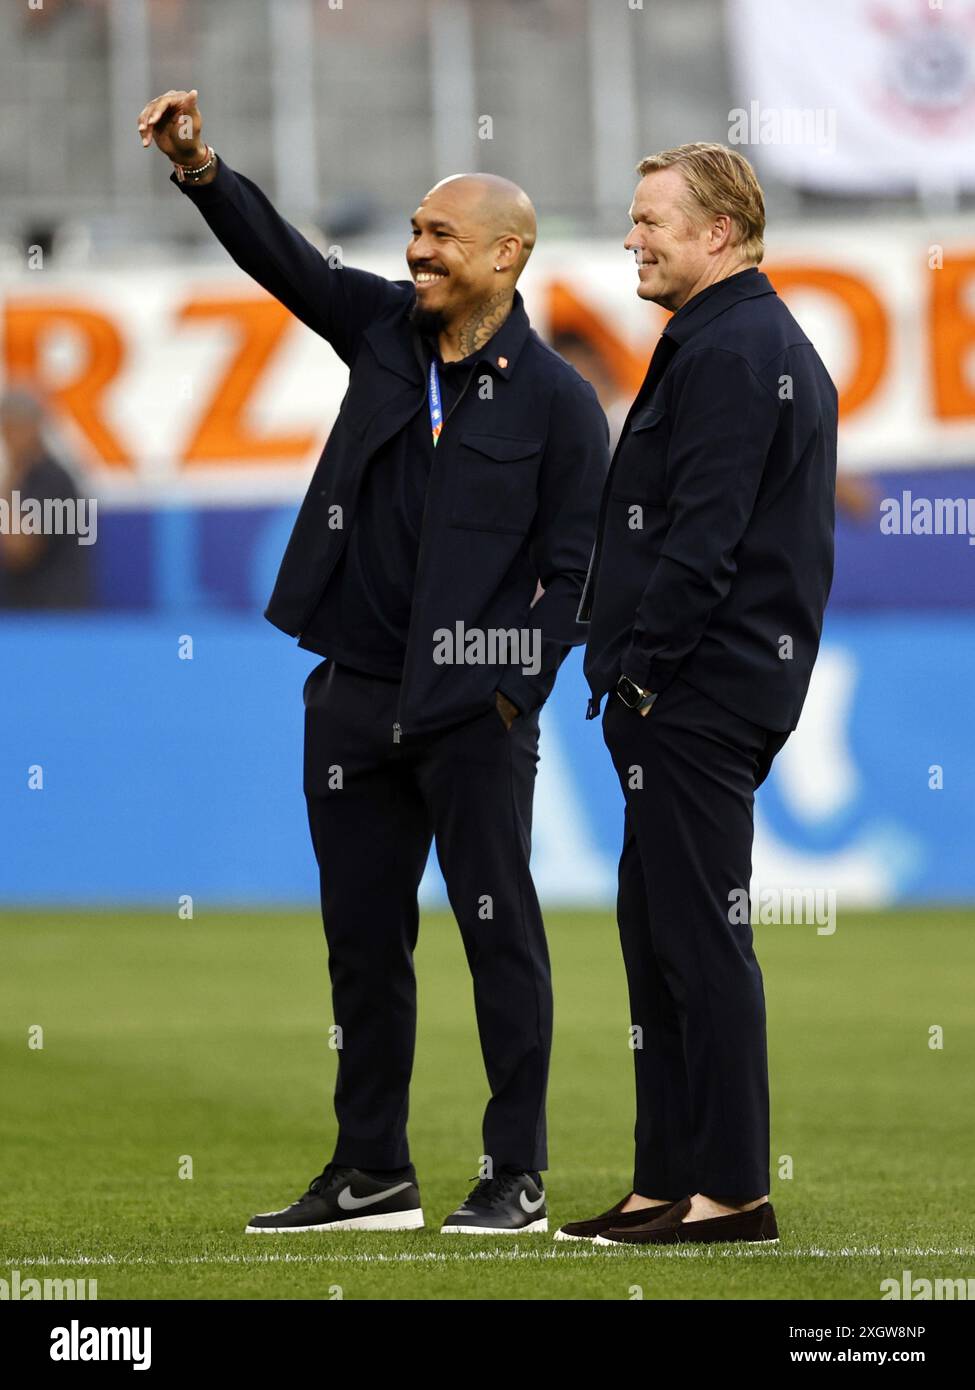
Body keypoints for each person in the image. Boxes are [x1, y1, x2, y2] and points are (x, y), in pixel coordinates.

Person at [138, 89, 608, 1235]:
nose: (416, 251)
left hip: (471, 716)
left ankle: (516, 1172)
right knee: (361, 948)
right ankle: (372, 1172)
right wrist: (203, 171)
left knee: (501, 934)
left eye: (441, 236)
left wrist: (507, 688)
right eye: (413, 231)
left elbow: (579, 579)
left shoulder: (559, 405)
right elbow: (283, 262)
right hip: (350, 699)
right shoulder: (384, 331)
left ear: (508, 255)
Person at [560, 143, 836, 1246]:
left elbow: (703, 539)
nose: (633, 236)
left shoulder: (737, 350)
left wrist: (640, 671)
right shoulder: (732, 338)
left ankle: (732, 1192)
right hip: (698, 686)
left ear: (719, 231)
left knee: (701, 937)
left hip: (698, 691)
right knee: (659, 931)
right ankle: (665, 1180)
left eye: (651, 220)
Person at [0, 387, 94, 610]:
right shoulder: (26, 478)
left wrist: (8, 480)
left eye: (11, 429)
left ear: (32, 428)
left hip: (51, 617)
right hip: (25, 613)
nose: (6, 439)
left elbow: (19, 550)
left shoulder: (53, 480)